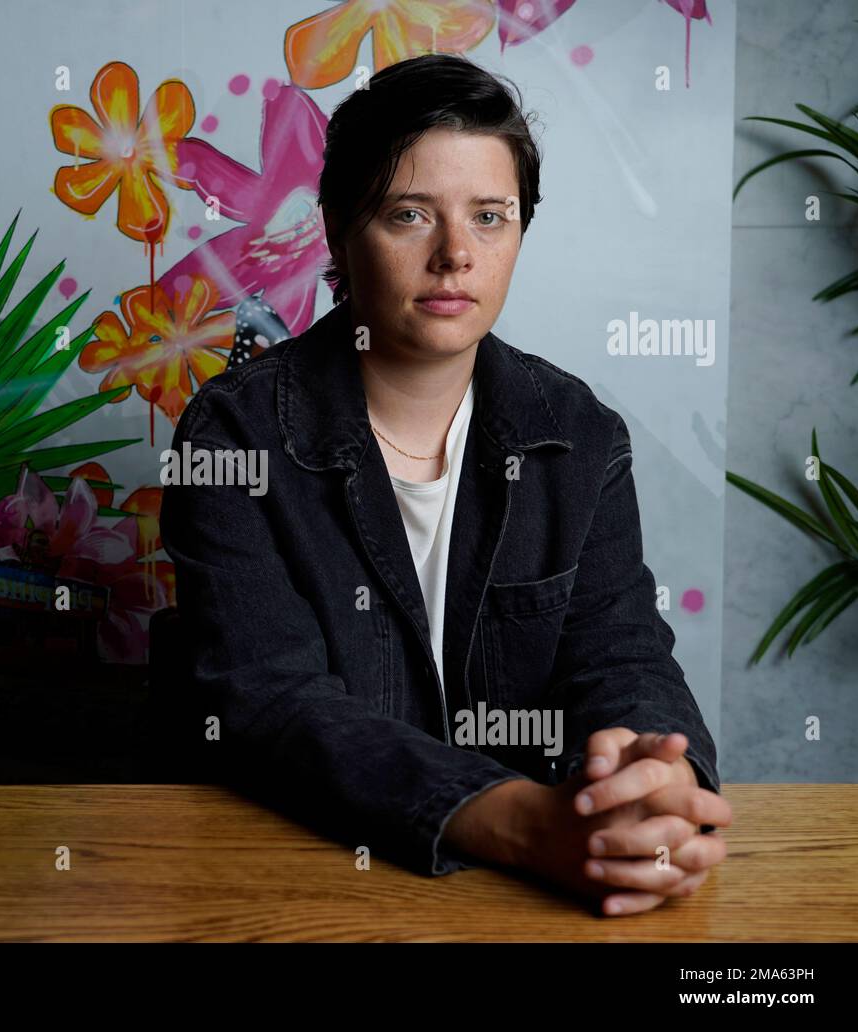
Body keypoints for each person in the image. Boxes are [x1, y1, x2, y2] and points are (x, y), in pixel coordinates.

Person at [159, 53, 730, 917]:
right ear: (339, 229)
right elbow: (271, 704)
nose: (456, 254)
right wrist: (528, 826)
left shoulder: (577, 434)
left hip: (524, 898)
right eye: (409, 215)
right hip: (294, 884)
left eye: (491, 217)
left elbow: (620, 648)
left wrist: (651, 776)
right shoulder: (235, 434)